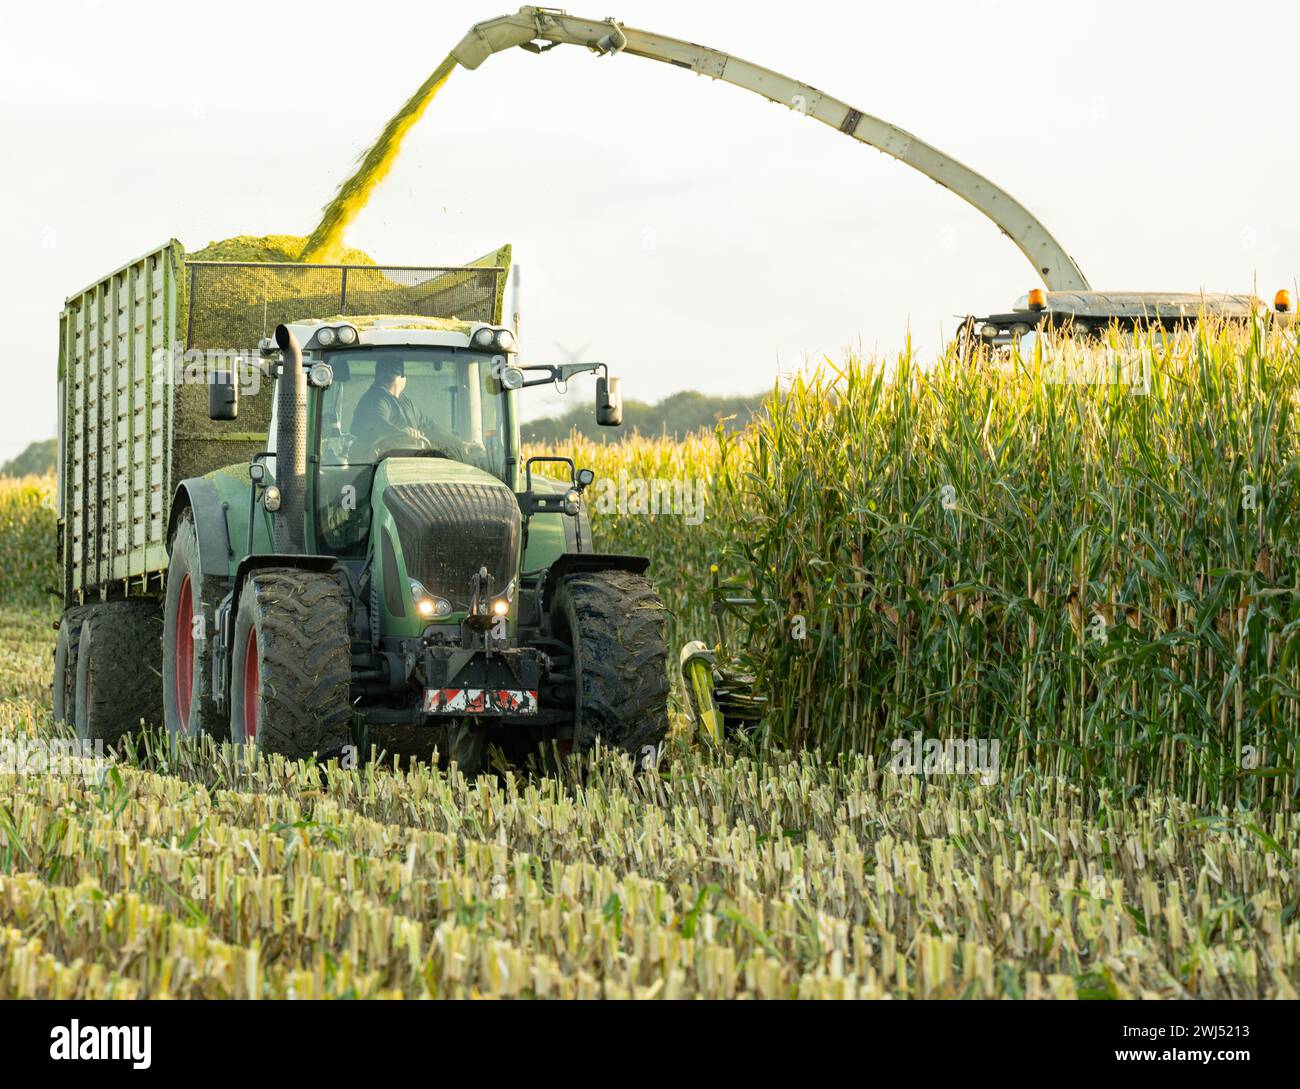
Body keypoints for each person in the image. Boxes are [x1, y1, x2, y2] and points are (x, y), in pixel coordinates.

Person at [349, 357, 465, 460]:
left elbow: (429, 427)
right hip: (374, 467)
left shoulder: (405, 401)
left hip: (408, 463)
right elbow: (379, 423)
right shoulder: (375, 398)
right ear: (400, 377)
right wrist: (402, 433)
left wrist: (459, 445)